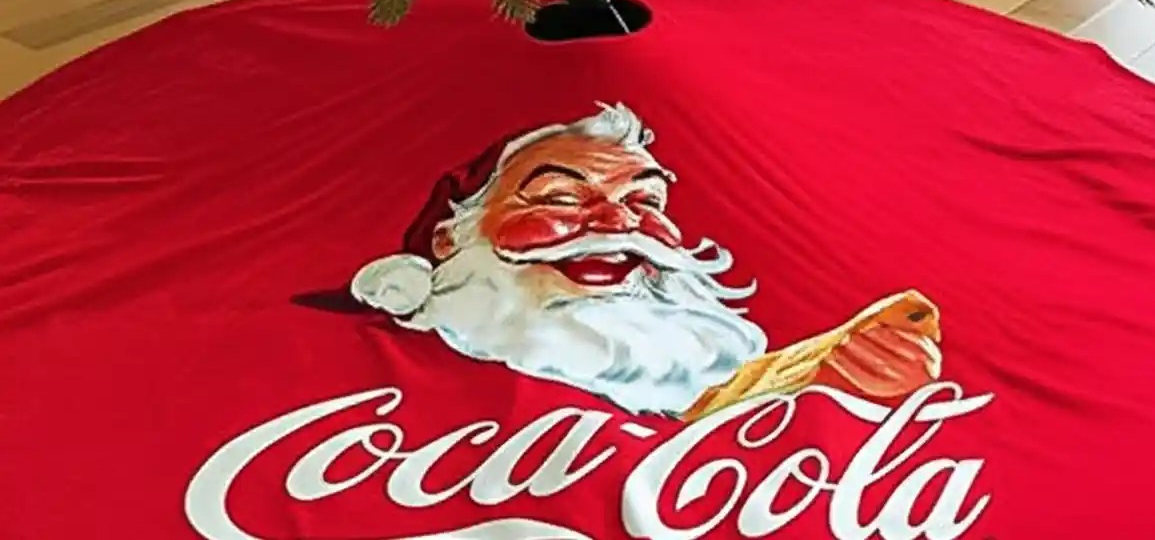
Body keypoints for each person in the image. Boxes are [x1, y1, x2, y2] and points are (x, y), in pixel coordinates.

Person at [352, 103, 941, 418]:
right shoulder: (367, 363)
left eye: (645, 202)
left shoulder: (720, 368)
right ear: (451, 238)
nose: (616, 226)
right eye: (559, 198)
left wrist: (842, 403)